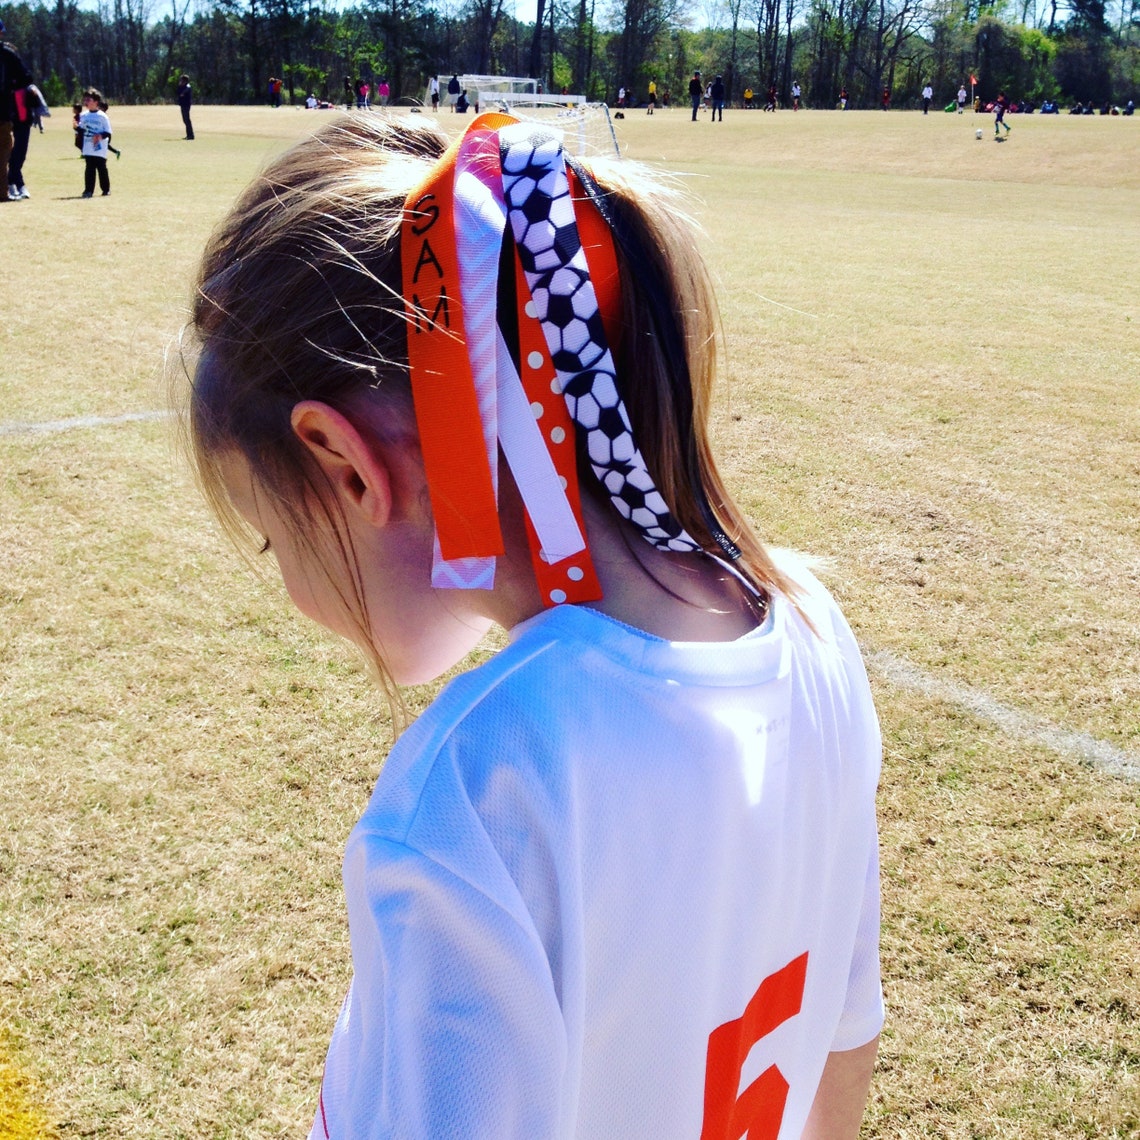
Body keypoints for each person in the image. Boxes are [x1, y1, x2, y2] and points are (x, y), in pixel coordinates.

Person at [180, 111, 883, 1140]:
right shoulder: (818, 634)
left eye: (271, 541)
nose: (290, 586)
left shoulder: (481, 785)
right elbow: (841, 1039)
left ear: (346, 469)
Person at [0, 19, 32, 203]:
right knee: (4, 152)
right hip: (4, 113)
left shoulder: (8, 54)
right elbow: (26, 78)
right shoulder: (7, 54)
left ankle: (11, 186)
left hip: (8, 112)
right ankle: (4, 191)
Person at [77, 87, 111, 197]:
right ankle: (88, 190)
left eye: (89, 100)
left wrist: (100, 136)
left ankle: (106, 189)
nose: (86, 102)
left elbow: (108, 132)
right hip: (88, 147)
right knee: (89, 168)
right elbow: (82, 130)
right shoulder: (83, 115)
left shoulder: (102, 116)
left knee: (101, 168)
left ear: (96, 102)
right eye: (85, 100)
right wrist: (77, 128)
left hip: (99, 148)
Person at [176, 74, 194, 139]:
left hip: (186, 105)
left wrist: (182, 92)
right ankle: (188, 135)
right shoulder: (181, 86)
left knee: (187, 120)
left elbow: (183, 93)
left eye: (181, 80)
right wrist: (180, 86)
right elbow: (178, 92)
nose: (180, 81)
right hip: (183, 104)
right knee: (185, 120)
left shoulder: (187, 86)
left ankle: (191, 135)